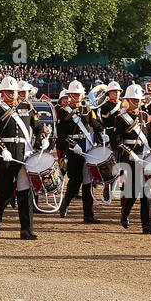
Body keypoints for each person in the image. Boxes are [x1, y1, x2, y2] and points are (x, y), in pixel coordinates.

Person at [0, 75, 43, 240]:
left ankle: (26, 229)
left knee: (25, 192)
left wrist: (42, 138)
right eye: (8, 91)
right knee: (5, 191)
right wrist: (0, 148)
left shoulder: (27, 106)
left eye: (14, 91)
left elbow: (37, 126)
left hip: (24, 153)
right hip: (6, 153)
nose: (12, 94)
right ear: (2, 93)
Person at [106, 84, 151, 234]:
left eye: (139, 100)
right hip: (130, 157)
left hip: (145, 155)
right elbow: (117, 140)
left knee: (146, 191)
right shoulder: (120, 118)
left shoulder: (145, 116)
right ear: (127, 100)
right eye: (135, 100)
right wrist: (129, 152)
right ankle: (125, 212)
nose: (138, 102)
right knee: (133, 191)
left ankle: (148, 226)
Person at [56, 81, 103, 223]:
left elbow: (96, 124)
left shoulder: (88, 109)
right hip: (74, 148)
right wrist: (72, 146)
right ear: (70, 95)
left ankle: (88, 215)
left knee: (88, 182)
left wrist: (101, 132)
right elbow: (62, 134)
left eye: (79, 94)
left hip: (87, 146)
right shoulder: (64, 111)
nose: (77, 96)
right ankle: (65, 203)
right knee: (75, 180)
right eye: (75, 94)